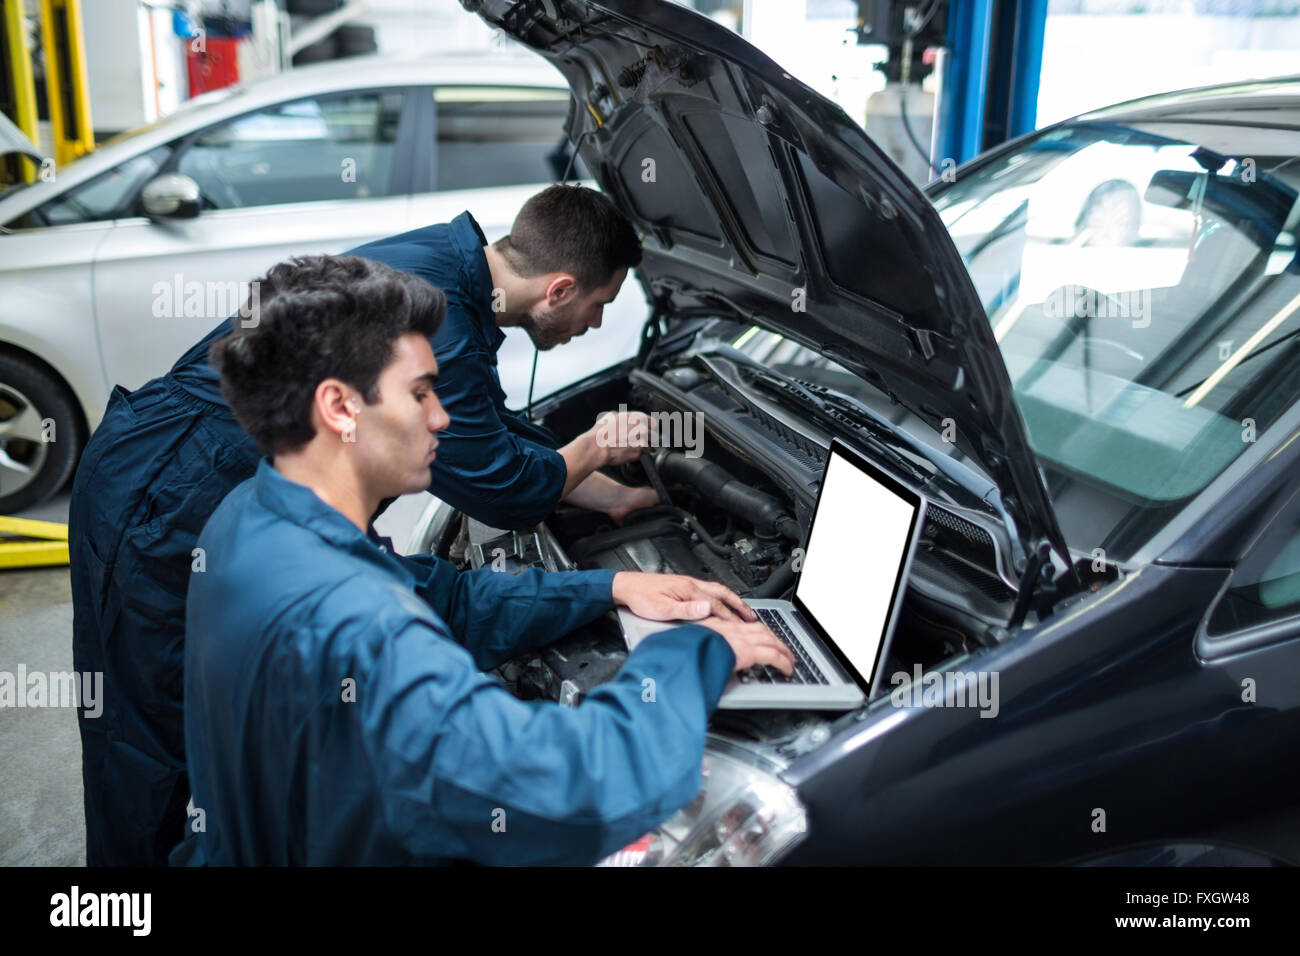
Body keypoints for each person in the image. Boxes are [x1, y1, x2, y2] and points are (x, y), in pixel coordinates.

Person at [69, 185, 658, 866]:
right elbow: (503, 486)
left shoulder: (448, 266)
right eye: (599, 305)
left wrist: (604, 505)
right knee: (150, 753)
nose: (436, 417)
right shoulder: (450, 331)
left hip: (194, 475)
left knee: (214, 752)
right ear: (559, 289)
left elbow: (483, 435)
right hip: (167, 494)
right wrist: (594, 450)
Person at [176, 254, 792, 864]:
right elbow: (572, 786)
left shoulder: (250, 516)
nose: (441, 417)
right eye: (419, 393)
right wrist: (691, 654)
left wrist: (611, 587)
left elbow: (449, 601)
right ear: (340, 407)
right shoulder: (355, 625)